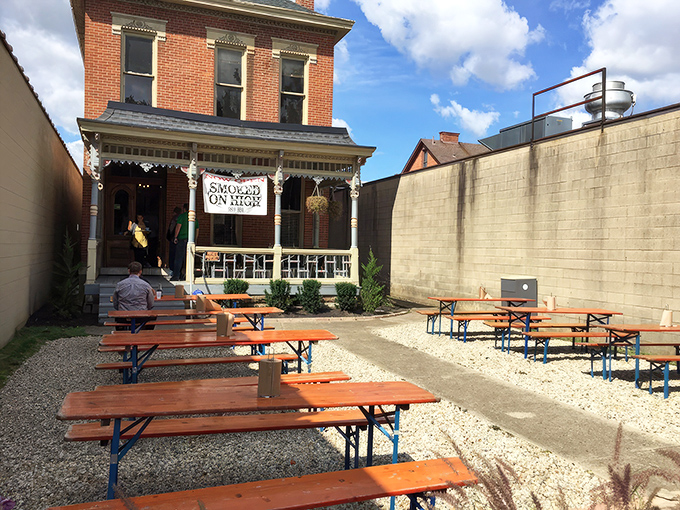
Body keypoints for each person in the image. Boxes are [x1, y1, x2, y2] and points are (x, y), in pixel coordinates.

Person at [112, 261, 155, 330]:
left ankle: (120, 334)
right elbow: (151, 304)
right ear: (140, 271)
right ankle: (145, 335)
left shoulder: (120, 284)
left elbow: (115, 302)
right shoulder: (146, 285)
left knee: (118, 317)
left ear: (129, 271)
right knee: (153, 317)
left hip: (123, 316)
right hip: (141, 316)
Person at [172, 203, 198, 281]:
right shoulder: (194, 218)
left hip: (182, 239)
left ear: (184, 209)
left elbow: (178, 227)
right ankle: (187, 275)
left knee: (179, 259)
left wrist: (175, 237)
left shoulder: (182, 217)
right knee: (188, 259)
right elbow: (197, 230)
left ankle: (176, 276)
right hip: (190, 240)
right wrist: (195, 240)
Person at [166, 206, 181, 276]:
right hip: (180, 239)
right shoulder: (181, 218)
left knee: (173, 255)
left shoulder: (175, 219)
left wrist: (171, 237)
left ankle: (172, 270)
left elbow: (171, 229)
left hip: (174, 239)